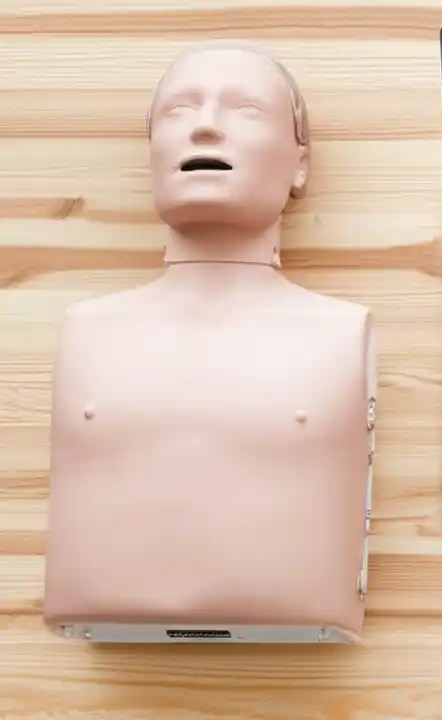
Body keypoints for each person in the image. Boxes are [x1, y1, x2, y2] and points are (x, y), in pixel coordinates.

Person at [43, 41, 376, 643]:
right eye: (177, 110)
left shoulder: (340, 333)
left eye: (246, 109)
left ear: (302, 165)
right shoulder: (86, 331)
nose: (203, 127)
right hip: (102, 623)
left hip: (306, 626)